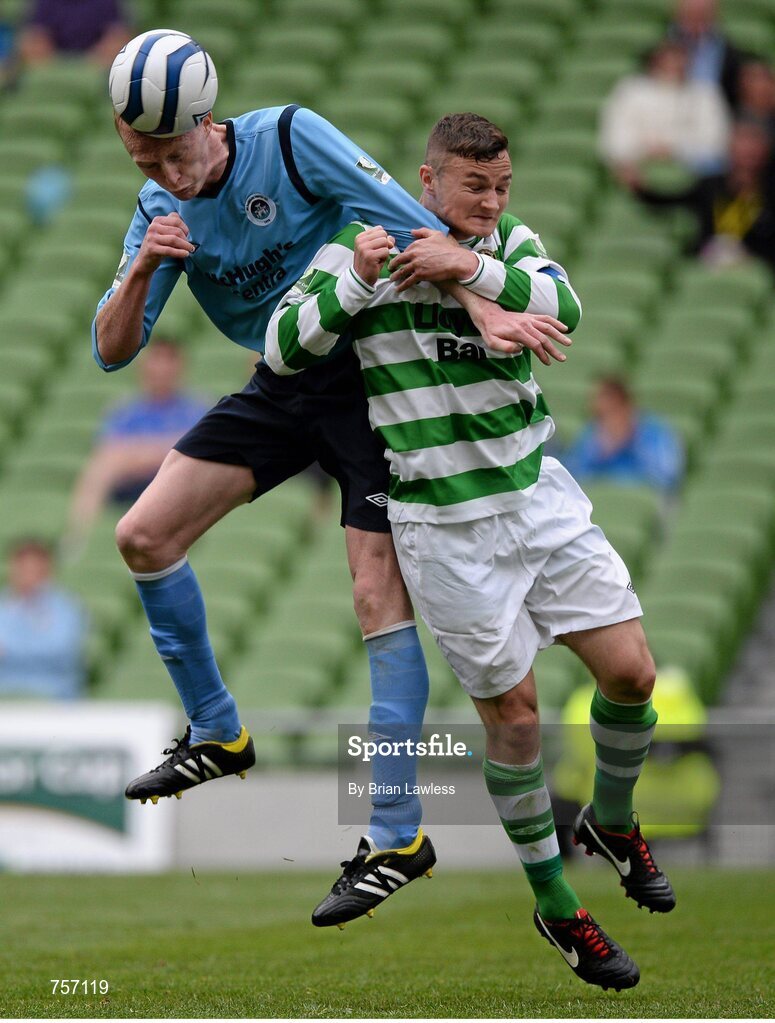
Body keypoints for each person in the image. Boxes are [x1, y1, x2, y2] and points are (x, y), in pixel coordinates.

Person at [95, 32, 541, 890]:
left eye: (171, 150)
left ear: (207, 121)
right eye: (140, 155)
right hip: (280, 378)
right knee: (143, 535)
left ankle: (395, 835)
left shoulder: (292, 141)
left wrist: (482, 305)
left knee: (374, 594)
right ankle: (218, 732)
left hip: (371, 376)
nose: (161, 170)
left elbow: (414, 222)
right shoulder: (158, 213)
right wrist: (144, 267)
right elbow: (112, 351)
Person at [266, 112, 675, 991]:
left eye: (501, 187)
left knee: (632, 673)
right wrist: (360, 283)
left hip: (537, 502)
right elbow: (281, 345)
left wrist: (473, 266)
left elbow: (564, 304)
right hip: (443, 529)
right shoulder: (358, 246)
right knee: (516, 720)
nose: (490, 202)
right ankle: (559, 905)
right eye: (473, 187)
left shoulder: (510, 244)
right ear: (427, 180)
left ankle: (610, 819)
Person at [64, 338, 208, 557]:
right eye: (155, 362)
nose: (160, 370)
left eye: (167, 362)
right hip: (132, 487)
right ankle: (78, 538)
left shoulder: (196, 408)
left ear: (179, 367)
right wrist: (162, 449)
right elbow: (108, 455)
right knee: (99, 467)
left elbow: (197, 452)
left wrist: (137, 453)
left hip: (177, 485)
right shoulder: (126, 411)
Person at [631, 119, 775, 271]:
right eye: (743, 144)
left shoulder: (769, 191)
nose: (748, 152)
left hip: (756, 267)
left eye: (754, 144)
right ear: (730, 148)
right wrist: (640, 188)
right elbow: (670, 201)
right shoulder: (710, 186)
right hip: (708, 265)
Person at [599, 39, 730, 186]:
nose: (673, 67)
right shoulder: (631, 91)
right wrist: (636, 155)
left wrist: (673, 148)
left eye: (680, 62)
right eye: (667, 62)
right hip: (636, 172)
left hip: (693, 175)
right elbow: (614, 136)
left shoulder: (705, 94)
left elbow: (715, 140)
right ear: (655, 63)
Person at [561, 376, 685, 494]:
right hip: (599, 499)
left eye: (602, 397)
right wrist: (600, 452)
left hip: (641, 498)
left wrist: (631, 442)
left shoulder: (655, 431)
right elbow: (573, 474)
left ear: (620, 400)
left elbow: (667, 477)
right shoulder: (591, 432)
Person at [0, 538, 88, 699]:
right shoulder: (4, 605)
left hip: (55, 698)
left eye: (32, 568)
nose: (25, 575)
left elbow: (60, 651)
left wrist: (9, 650)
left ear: (46, 570)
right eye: (21, 568)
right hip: (6, 698)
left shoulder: (66, 608)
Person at [666, 0, 743, 111]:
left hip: (718, 114)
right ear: (678, 16)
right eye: (691, 16)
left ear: (714, 16)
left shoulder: (732, 55)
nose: (696, 23)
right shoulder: (662, 48)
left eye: (703, 16)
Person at [18, 0, 131, 67]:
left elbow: (118, 36)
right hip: (52, 63)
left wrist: (93, 61)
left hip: (97, 64)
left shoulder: (107, 3)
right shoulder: (44, 3)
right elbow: (34, 38)